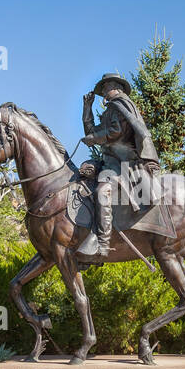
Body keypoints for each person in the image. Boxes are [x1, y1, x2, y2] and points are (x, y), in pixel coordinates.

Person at [78, 73, 160, 256]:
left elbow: (117, 131)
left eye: (107, 88)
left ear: (118, 88)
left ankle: (103, 242)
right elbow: (92, 131)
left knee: (102, 190)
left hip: (123, 161)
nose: (104, 92)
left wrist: (95, 138)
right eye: (103, 88)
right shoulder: (111, 109)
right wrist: (87, 109)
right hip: (110, 160)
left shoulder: (120, 103)